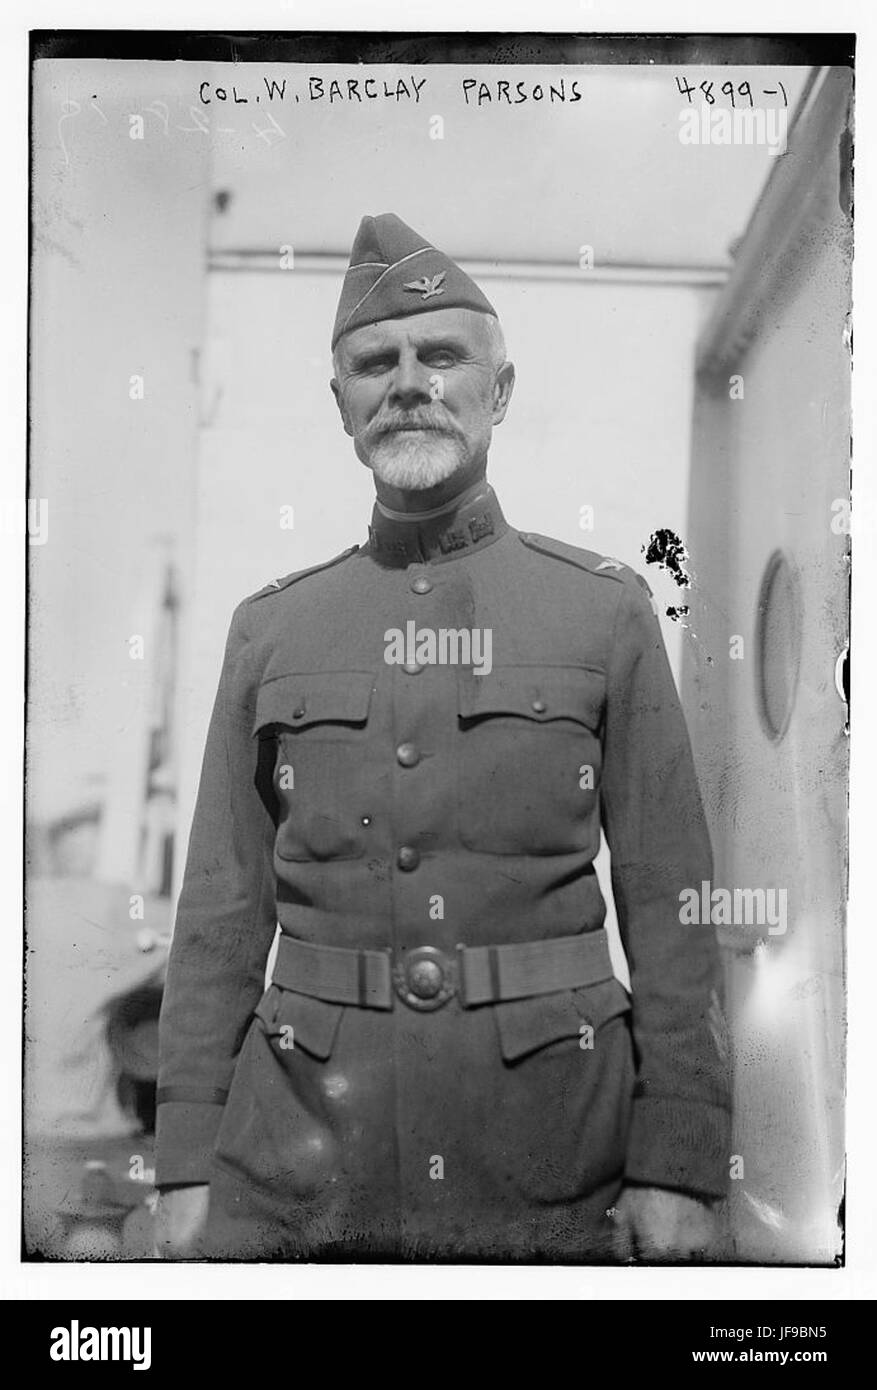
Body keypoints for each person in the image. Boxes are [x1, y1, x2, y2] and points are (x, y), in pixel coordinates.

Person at [155, 213, 730, 1261]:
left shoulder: (603, 612)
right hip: (306, 1151)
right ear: (342, 405)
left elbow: (672, 900)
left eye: (441, 355)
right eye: (375, 363)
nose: (409, 382)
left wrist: (679, 1158)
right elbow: (221, 911)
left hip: (553, 1140)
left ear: (499, 391)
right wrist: (187, 1159)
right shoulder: (271, 628)